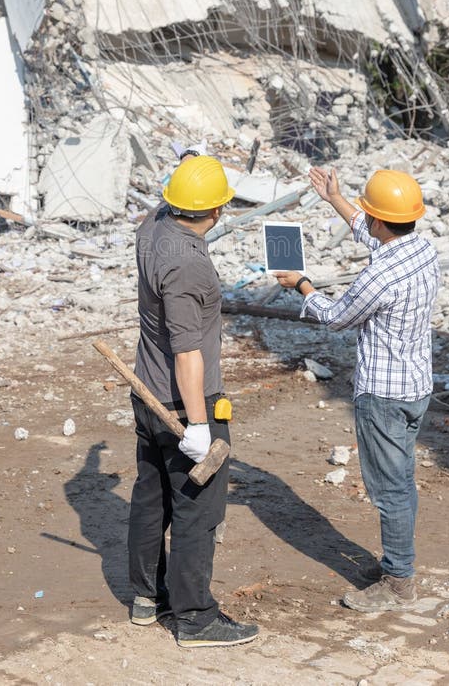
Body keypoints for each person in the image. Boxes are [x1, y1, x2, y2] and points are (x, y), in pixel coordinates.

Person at [275, 167, 440, 612]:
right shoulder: (422, 249)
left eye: (368, 213)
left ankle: (399, 581)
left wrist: (303, 286)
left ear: (380, 219)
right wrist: (335, 198)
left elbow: (335, 317)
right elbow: (373, 236)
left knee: (390, 489)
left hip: (383, 394)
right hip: (415, 386)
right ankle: (395, 563)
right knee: (401, 481)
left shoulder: (379, 275)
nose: (365, 219)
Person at [128, 153, 259, 647]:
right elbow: (187, 352)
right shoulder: (188, 265)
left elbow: (165, 201)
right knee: (195, 510)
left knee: (151, 497)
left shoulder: (152, 228)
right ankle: (196, 618)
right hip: (183, 404)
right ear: (218, 211)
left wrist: (184, 172)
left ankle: (147, 598)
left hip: (146, 393)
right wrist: (200, 427)